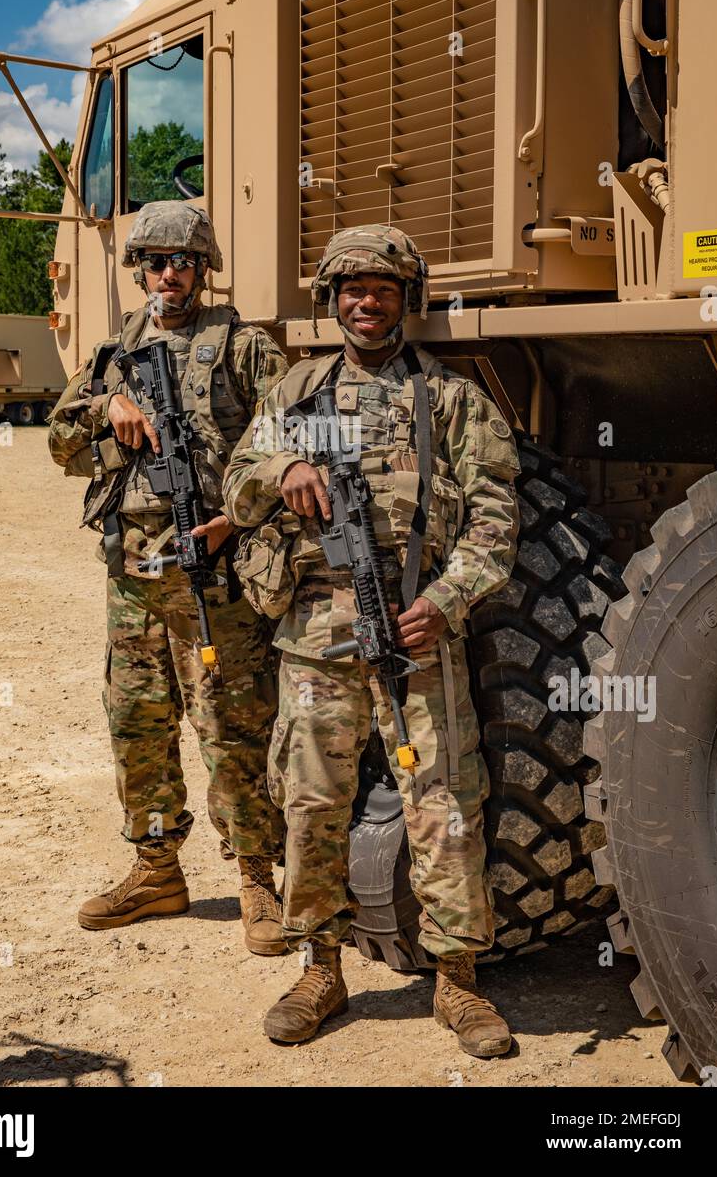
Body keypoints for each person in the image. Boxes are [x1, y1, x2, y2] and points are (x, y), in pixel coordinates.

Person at [222, 224, 521, 1053]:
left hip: (416, 631)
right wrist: (282, 470)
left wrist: (449, 598)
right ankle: (321, 965)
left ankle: (457, 982)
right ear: (332, 299)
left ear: (406, 300)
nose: (366, 302)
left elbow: (496, 520)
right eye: (352, 289)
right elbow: (238, 476)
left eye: (383, 289)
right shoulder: (297, 394)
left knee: (444, 806)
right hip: (317, 635)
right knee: (312, 804)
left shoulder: (450, 400)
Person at [47, 202, 288, 955]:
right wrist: (102, 406)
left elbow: (299, 442)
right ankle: (156, 870)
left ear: (204, 269)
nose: (168, 273)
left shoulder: (244, 347)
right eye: (154, 262)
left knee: (233, 732)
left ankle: (256, 877)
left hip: (213, 577)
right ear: (139, 271)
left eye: (182, 261)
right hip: (133, 576)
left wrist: (239, 520)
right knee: (139, 728)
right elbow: (57, 443)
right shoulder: (112, 354)